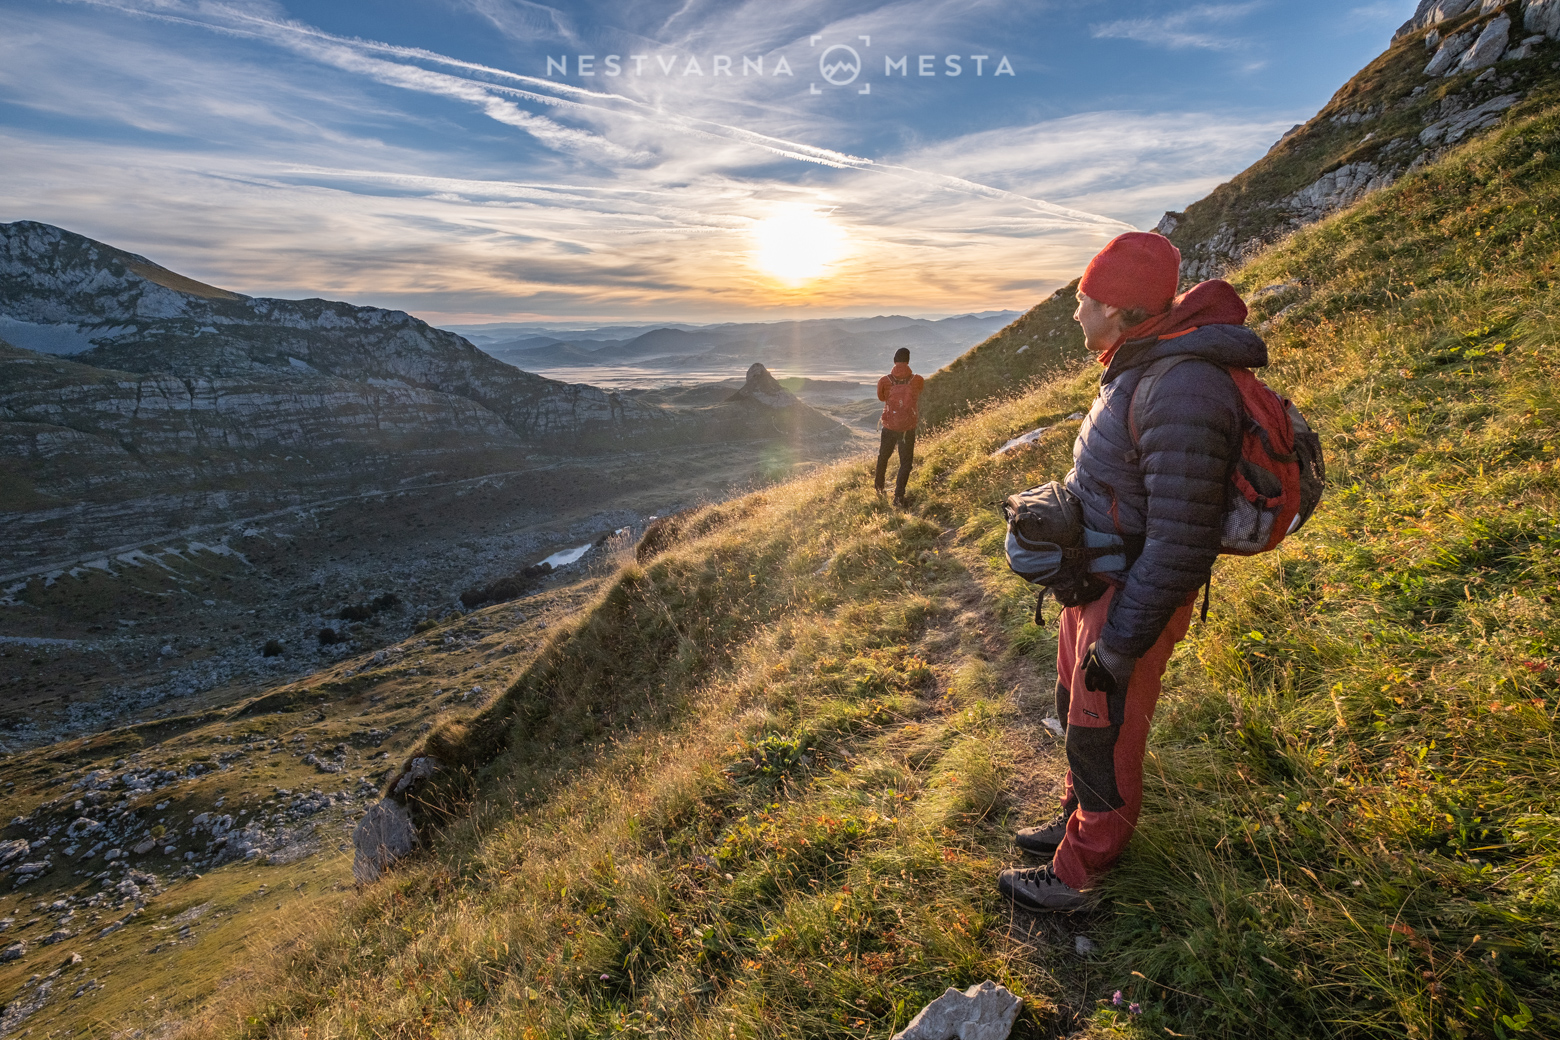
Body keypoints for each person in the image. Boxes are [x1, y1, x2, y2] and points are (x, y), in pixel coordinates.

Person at [997, 231, 1260, 912]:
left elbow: (1180, 539)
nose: (1074, 313)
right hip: (1098, 583)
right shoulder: (1141, 361)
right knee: (1078, 715)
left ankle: (1082, 873)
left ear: (1116, 308)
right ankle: (1076, 820)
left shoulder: (1183, 387)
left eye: (1083, 300)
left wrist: (1120, 643)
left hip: (1131, 595)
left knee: (1103, 732)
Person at [875, 347, 924, 506]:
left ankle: (879, 489)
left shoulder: (884, 380)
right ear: (908, 361)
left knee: (883, 457)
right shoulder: (917, 379)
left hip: (889, 426)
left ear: (894, 361)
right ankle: (898, 497)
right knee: (906, 463)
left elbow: (882, 398)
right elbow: (918, 394)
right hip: (908, 428)